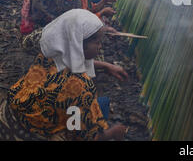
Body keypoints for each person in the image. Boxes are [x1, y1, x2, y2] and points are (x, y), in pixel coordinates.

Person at [1, 9, 129, 141]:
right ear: (78, 43)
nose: (100, 47)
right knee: (102, 106)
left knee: (95, 106)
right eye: (97, 42)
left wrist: (105, 66)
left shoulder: (49, 56)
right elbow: (83, 136)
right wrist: (113, 133)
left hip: (8, 117)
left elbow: (73, 62)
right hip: (29, 135)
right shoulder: (80, 86)